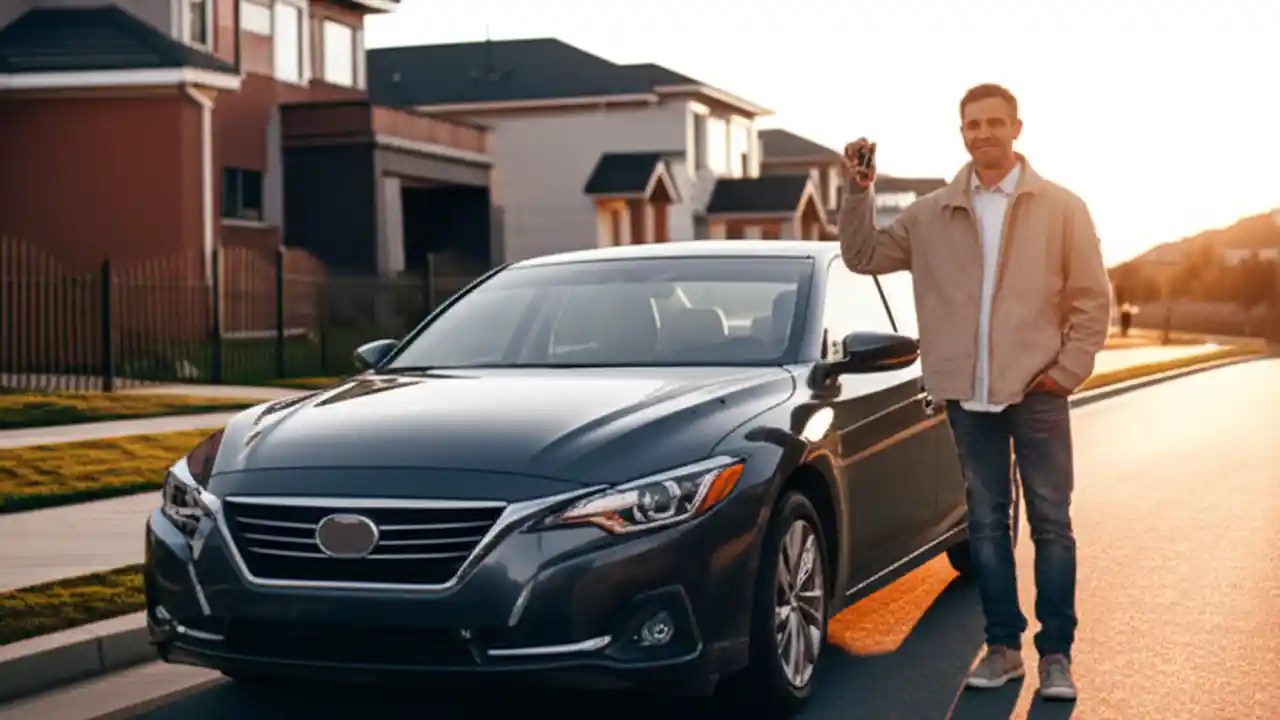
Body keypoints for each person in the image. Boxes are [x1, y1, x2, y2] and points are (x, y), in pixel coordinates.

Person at [837, 83, 1112, 702]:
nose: (983, 133)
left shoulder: (1063, 208)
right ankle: (1003, 649)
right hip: (967, 396)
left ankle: (1057, 656)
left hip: (1038, 391)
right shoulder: (930, 214)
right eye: (972, 125)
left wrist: (1067, 370)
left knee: (1051, 524)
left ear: (1017, 128)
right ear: (961, 132)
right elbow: (862, 255)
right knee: (986, 526)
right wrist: (858, 192)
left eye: (994, 122)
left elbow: (1092, 299)